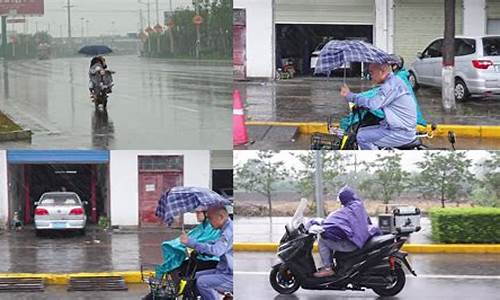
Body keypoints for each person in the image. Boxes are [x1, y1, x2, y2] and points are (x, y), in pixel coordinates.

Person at [340, 62, 417, 150]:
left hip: (402, 132)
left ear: (382, 71)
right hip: (398, 128)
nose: (370, 76)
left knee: (362, 137)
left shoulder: (391, 85)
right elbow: (378, 99)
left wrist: (350, 96)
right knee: (361, 131)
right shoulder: (393, 81)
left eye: (372, 72)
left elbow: (373, 104)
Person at [308, 186, 381, 278]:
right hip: (362, 239)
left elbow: (335, 220)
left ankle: (327, 269)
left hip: (353, 243)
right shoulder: (358, 206)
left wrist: (321, 224)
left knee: (322, 239)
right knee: (333, 237)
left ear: (344, 199)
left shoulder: (348, 210)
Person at [154, 206, 221, 281]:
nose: (196, 215)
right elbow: (190, 237)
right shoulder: (202, 226)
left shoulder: (213, 227)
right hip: (199, 258)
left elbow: (204, 241)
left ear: (207, 213)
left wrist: (190, 244)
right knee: (176, 268)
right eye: (196, 213)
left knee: (183, 270)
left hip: (210, 260)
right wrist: (174, 243)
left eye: (199, 213)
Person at [180, 206, 233, 300]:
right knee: (196, 276)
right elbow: (215, 243)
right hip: (223, 270)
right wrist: (200, 248)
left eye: (210, 218)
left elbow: (216, 250)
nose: (208, 221)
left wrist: (191, 242)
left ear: (220, 217)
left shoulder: (228, 231)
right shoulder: (225, 228)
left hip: (230, 275)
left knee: (202, 282)